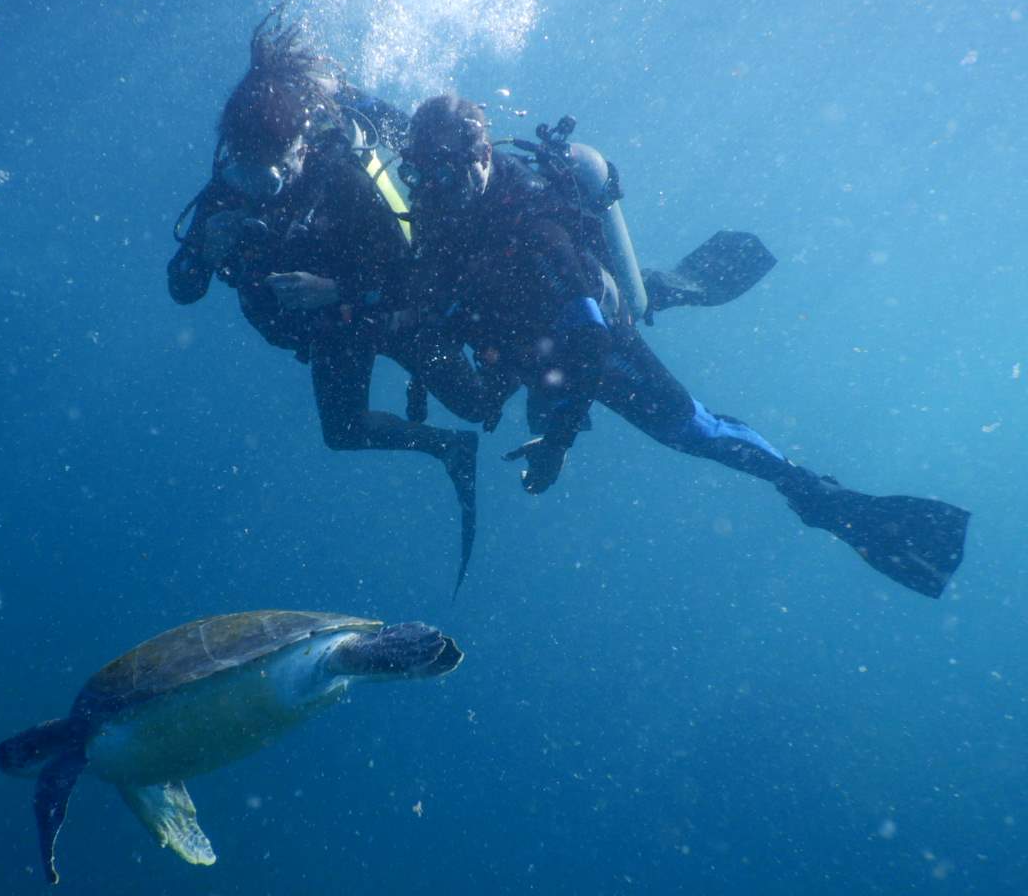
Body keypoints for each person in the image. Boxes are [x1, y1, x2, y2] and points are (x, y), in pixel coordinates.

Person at [400, 93, 970, 598]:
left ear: (482, 157)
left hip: (589, 341)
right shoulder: (435, 204)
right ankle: (649, 289)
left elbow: (593, 345)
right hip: (527, 341)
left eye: (447, 176)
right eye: (422, 176)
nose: (434, 193)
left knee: (691, 430)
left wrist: (558, 442)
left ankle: (820, 496)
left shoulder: (534, 222)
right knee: (512, 397)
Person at [167, 5, 508, 588]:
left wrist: (335, 290)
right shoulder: (226, 193)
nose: (255, 192)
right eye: (243, 175)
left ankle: (530, 351)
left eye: (268, 177)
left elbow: (411, 274)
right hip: (329, 334)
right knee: (343, 432)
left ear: (300, 149)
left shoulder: (343, 180)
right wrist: (201, 250)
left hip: (386, 314)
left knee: (484, 406)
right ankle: (450, 449)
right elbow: (182, 289)